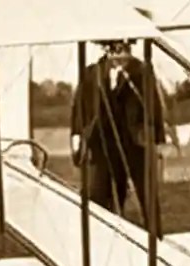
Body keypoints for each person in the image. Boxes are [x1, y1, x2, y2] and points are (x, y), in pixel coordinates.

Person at [69, 38, 168, 221]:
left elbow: (154, 105)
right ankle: (108, 234)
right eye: (114, 49)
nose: (119, 54)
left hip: (136, 143)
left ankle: (155, 238)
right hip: (103, 143)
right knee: (101, 194)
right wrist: (77, 135)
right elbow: (80, 107)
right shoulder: (93, 72)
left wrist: (156, 137)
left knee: (147, 195)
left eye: (123, 49)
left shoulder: (141, 71)